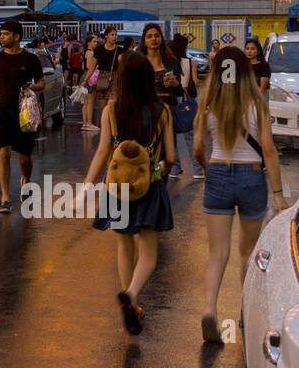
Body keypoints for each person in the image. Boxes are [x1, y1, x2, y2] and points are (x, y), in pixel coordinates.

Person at [193, 46, 285, 344]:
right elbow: (269, 150)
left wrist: (209, 169)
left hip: (219, 173)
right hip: (251, 177)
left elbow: (197, 147)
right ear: (246, 71)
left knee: (217, 253)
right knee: (247, 252)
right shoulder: (257, 105)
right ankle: (245, 312)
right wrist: (279, 194)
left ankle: (209, 308)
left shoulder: (208, 104)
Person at [83, 52, 176, 335]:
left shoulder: (111, 109)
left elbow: (102, 152)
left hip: (117, 189)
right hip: (149, 187)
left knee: (125, 247)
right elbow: (170, 155)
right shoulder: (162, 111)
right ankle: (132, 295)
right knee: (149, 253)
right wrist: (158, 170)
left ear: (121, 79)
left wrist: (87, 185)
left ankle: (129, 303)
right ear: (148, 79)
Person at [0, 20, 45, 215]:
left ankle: (26, 179)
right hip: (2, 112)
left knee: (25, 158)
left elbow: (42, 83)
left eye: (6, 34)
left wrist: (34, 87)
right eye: (1, 34)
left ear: (17, 37)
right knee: (3, 152)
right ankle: (5, 197)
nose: (2, 36)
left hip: (24, 114)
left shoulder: (31, 59)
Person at [168, 33, 201, 178]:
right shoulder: (190, 62)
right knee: (190, 136)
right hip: (186, 101)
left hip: (171, 100)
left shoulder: (168, 62)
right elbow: (196, 83)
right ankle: (198, 170)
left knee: (171, 135)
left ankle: (175, 168)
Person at [83, 27, 121, 132]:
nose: (114, 37)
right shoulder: (99, 49)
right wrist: (85, 80)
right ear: (106, 36)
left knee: (112, 104)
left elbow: (124, 65)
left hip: (115, 77)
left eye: (115, 34)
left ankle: (114, 130)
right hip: (102, 78)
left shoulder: (119, 50)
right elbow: (92, 66)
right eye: (112, 34)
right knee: (103, 107)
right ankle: (106, 130)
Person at [141, 23, 182, 111]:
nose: (153, 39)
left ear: (161, 39)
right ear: (144, 41)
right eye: (149, 36)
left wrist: (176, 84)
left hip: (168, 110)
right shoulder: (138, 62)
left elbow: (179, 93)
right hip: (144, 110)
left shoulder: (171, 61)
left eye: (157, 36)